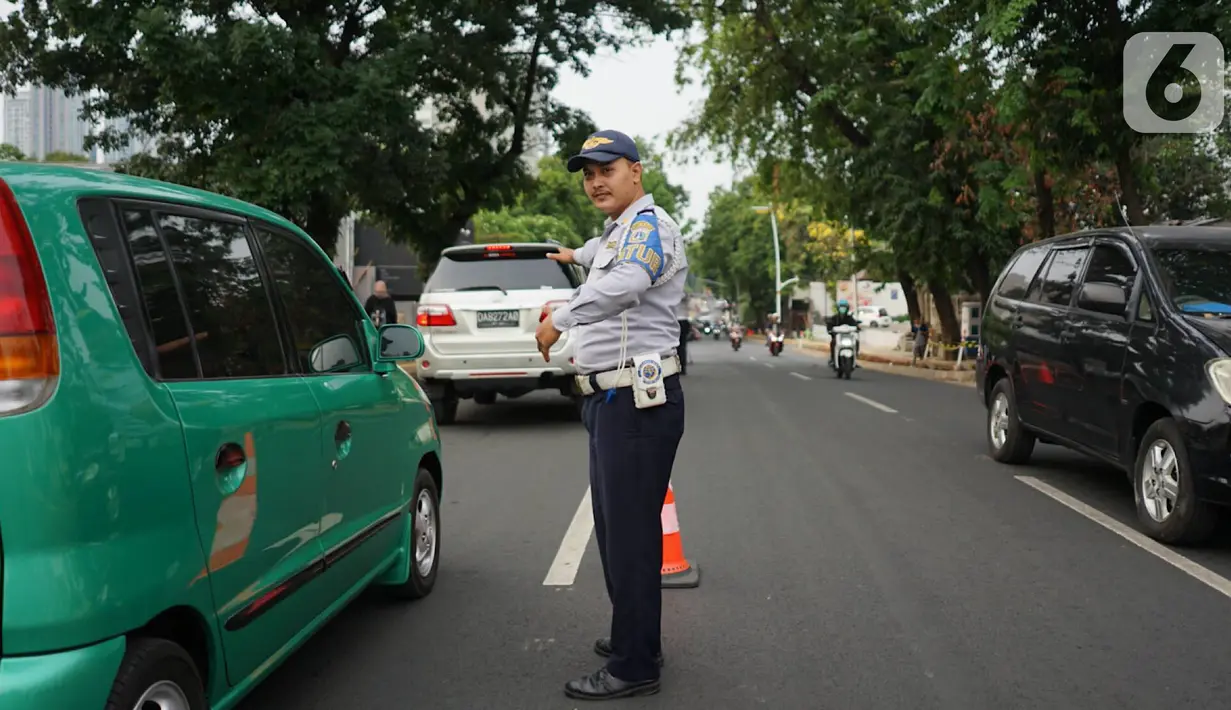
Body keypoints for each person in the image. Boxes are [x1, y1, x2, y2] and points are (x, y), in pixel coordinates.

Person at [534, 129, 688, 701]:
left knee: (629, 537)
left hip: (636, 401)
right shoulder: (618, 232)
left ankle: (633, 666)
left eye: (608, 169)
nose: (595, 180)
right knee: (619, 532)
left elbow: (624, 283)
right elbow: (600, 256)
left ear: (636, 173)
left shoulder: (649, 229)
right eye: (588, 173)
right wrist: (571, 256)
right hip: (609, 399)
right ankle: (637, 639)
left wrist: (562, 318)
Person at [826, 299, 861, 368]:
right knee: (833, 343)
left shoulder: (849, 318)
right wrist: (830, 330)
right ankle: (833, 359)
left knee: (856, 342)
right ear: (838, 308)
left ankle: (854, 357)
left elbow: (855, 324)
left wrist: (858, 327)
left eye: (844, 307)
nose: (843, 309)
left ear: (847, 308)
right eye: (841, 307)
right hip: (837, 337)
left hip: (848, 337)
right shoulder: (834, 318)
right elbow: (829, 325)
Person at [675, 292, 690, 375]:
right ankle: (682, 367)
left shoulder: (675, 293)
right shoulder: (685, 294)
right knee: (682, 346)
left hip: (677, 320)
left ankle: (679, 366)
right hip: (683, 321)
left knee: (677, 346)